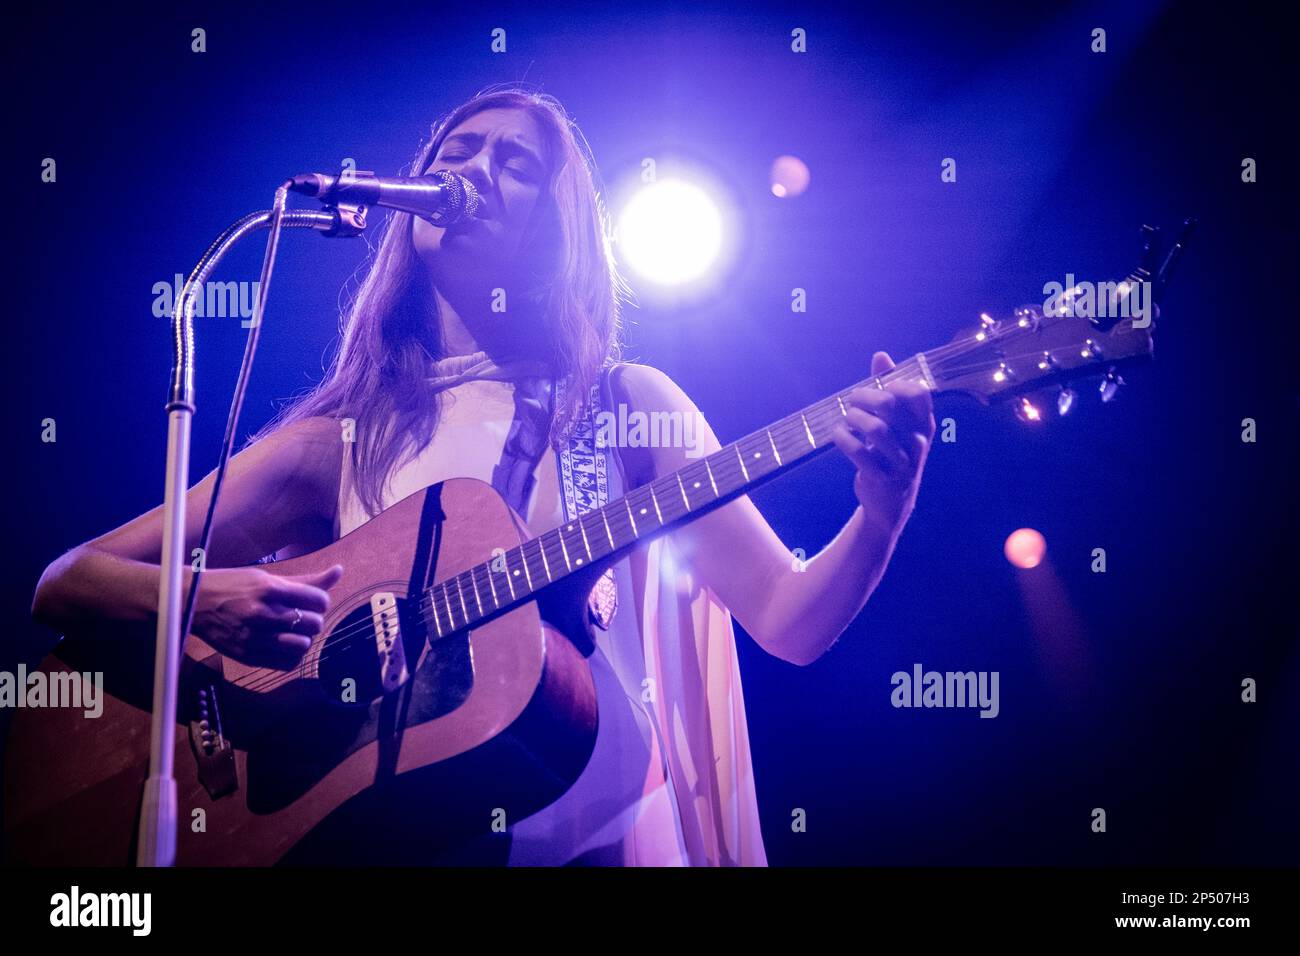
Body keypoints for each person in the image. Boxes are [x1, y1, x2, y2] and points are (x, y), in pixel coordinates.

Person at [31, 84, 935, 866]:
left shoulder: (624, 404)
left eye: (514, 163)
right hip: (395, 836)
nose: (471, 171)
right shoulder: (343, 435)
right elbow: (66, 585)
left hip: (596, 827)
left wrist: (883, 514)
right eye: (455, 152)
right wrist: (204, 601)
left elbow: (789, 621)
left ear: (559, 223)